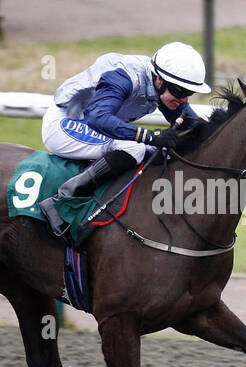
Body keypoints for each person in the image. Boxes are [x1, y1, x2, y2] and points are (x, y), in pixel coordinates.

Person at [38, 42, 211, 236]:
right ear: (160, 81)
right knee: (135, 148)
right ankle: (61, 200)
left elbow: (193, 125)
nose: (185, 99)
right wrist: (149, 136)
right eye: (181, 91)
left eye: (190, 93)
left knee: (159, 152)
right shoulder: (123, 77)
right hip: (65, 125)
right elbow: (97, 117)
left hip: (97, 127)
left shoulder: (160, 84)